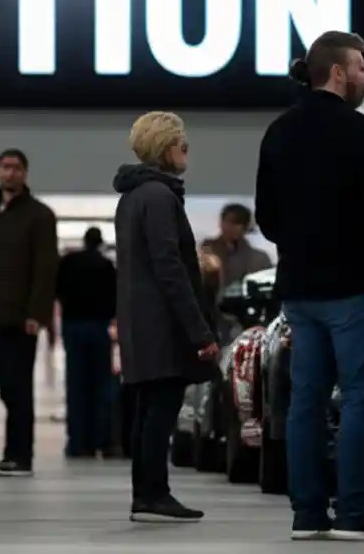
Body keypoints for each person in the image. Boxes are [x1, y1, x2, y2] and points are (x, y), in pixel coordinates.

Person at [255, 30, 364, 542]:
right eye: (361, 66)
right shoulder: (362, 133)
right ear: (339, 72)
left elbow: (267, 217)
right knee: (362, 396)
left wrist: (300, 244)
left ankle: (307, 515)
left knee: (306, 400)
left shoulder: (278, 132)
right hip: (353, 286)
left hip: (299, 288)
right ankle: (353, 512)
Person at [113, 111, 220, 523]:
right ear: (165, 148)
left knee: (147, 409)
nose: (186, 150)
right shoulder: (159, 197)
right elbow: (170, 267)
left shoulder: (133, 197)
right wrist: (199, 331)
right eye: (182, 143)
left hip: (141, 321)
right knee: (160, 410)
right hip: (162, 323)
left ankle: (147, 493)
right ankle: (154, 494)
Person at [0, 148, 58, 478]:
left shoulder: (39, 215)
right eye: (5, 167)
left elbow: (45, 268)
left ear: (25, 173)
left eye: (16, 168)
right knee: (8, 387)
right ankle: (12, 453)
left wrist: (36, 313)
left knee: (19, 387)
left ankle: (21, 456)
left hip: (23, 318)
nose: (10, 173)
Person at [55, 227, 117, 458]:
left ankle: (77, 443)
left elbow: (58, 291)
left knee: (76, 385)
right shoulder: (106, 266)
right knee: (101, 386)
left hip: (73, 325)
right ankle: (101, 440)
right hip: (99, 327)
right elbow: (115, 297)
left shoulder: (69, 262)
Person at [202, 204, 273, 292]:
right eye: (227, 221)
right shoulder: (207, 251)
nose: (230, 227)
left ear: (245, 227)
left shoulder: (258, 258)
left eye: (236, 223)